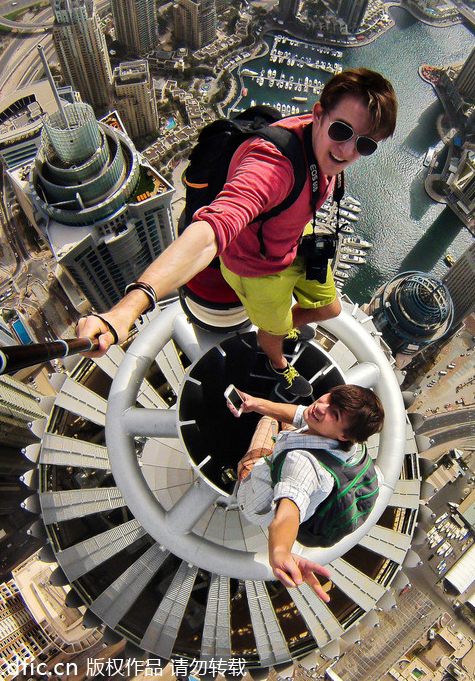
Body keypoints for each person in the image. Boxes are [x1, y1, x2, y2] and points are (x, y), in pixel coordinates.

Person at [77, 69, 397, 397]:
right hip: (258, 270)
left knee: (330, 309)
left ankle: (284, 326)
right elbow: (213, 230)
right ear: (318, 114)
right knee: (273, 331)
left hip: (293, 240)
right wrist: (129, 308)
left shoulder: (314, 138)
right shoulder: (273, 168)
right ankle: (277, 362)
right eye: (342, 131)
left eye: (365, 144)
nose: (347, 150)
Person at [231, 385, 384, 602]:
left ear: (344, 435)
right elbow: (300, 415)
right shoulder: (351, 443)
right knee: (280, 417)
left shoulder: (302, 464)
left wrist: (280, 551)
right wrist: (256, 404)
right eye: (330, 398)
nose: (321, 406)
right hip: (296, 466)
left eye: (335, 413)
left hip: (255, 499)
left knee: (266, 424)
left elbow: (289, 512)